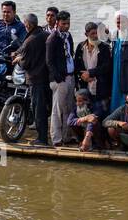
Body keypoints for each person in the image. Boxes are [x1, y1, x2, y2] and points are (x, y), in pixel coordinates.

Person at [14, 13, 50, 146]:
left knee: (38, 109)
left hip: (35, 78)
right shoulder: (45, 34)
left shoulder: (30, 40)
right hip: (47, 77)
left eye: (25, 24)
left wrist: (18, 59)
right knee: (45, 108)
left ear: (27, 25)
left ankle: (42, 139)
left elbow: (25, 63)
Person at [46, 10, 76, 146]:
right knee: (57, 110)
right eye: (64, 23)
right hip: (60, 79)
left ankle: (66, 136)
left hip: (70, 77)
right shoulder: (53, 38)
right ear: (57, 23)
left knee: (68, 108)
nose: (67, 26)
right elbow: (49, 61)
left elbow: (71, 53)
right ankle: (56, 139)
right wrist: (58, 77)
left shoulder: (68, 36)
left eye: (68, 23)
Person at [76, 21, 111, 110]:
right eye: (92, 33)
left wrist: (90, 73)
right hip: (85, 85)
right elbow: (77, 65)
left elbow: (106, 66)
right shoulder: (80, 47)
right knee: (85, 111)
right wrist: (83, 76)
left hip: (100, 86)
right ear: (86, 34)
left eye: (97, 33)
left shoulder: (104, 47)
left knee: (100, 113)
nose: (95, 36)